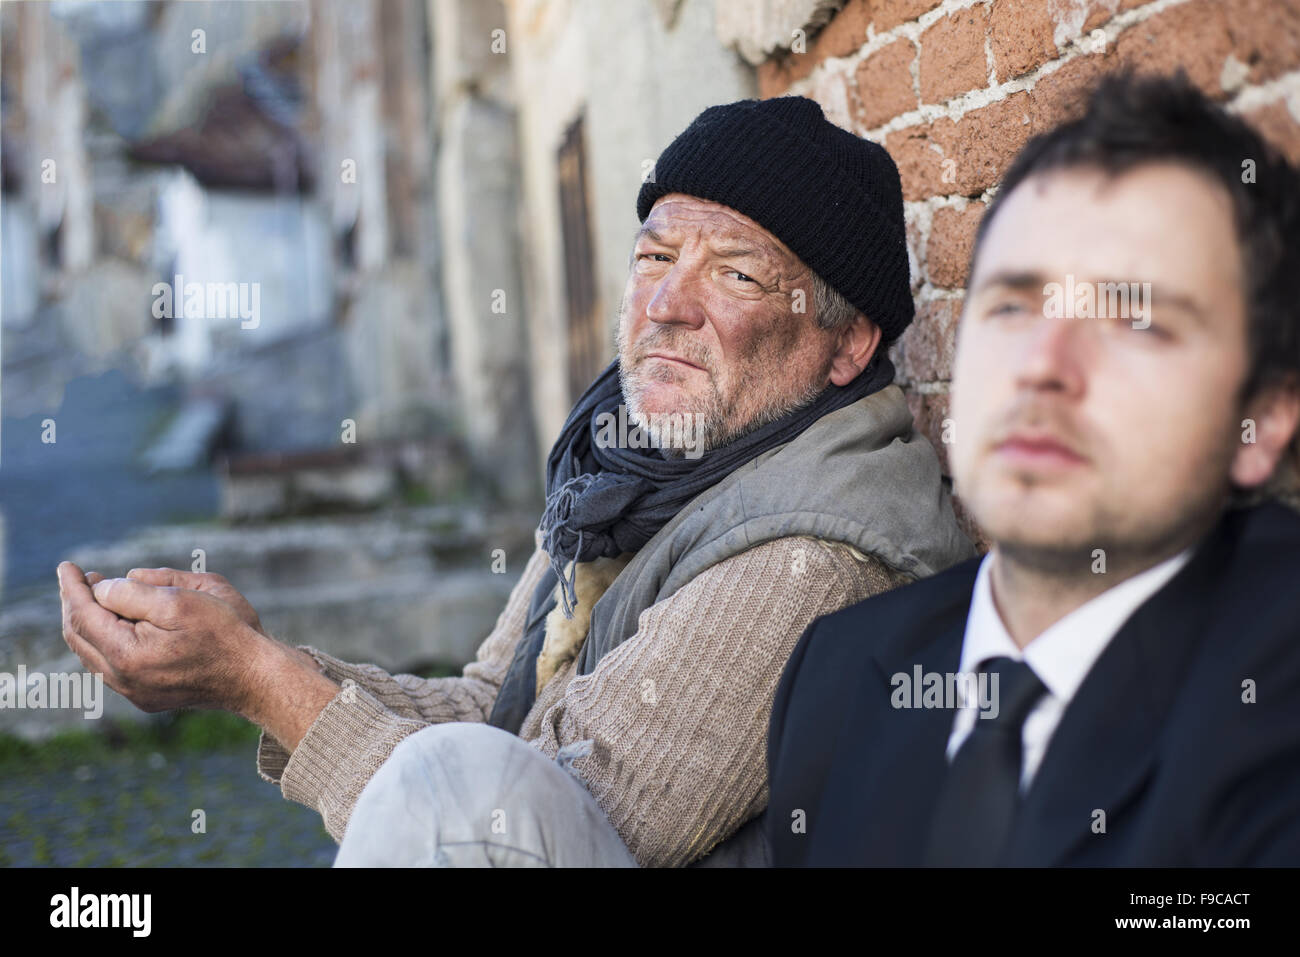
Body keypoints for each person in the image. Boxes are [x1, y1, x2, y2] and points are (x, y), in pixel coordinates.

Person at [57, 95, 973, 868]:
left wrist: (261, 683)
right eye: (654, 257)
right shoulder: (628, 477)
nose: (664, 304)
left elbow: (512, 831)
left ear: (846, 344)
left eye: (734, 273)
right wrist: (250, 658)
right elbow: (490, 711)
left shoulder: (813, 555)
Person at [766, 70, 1300, 867]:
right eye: (1013, 306)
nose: (1043, 365)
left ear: (1262, 419)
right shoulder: (838, 673)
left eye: (1136, 319)